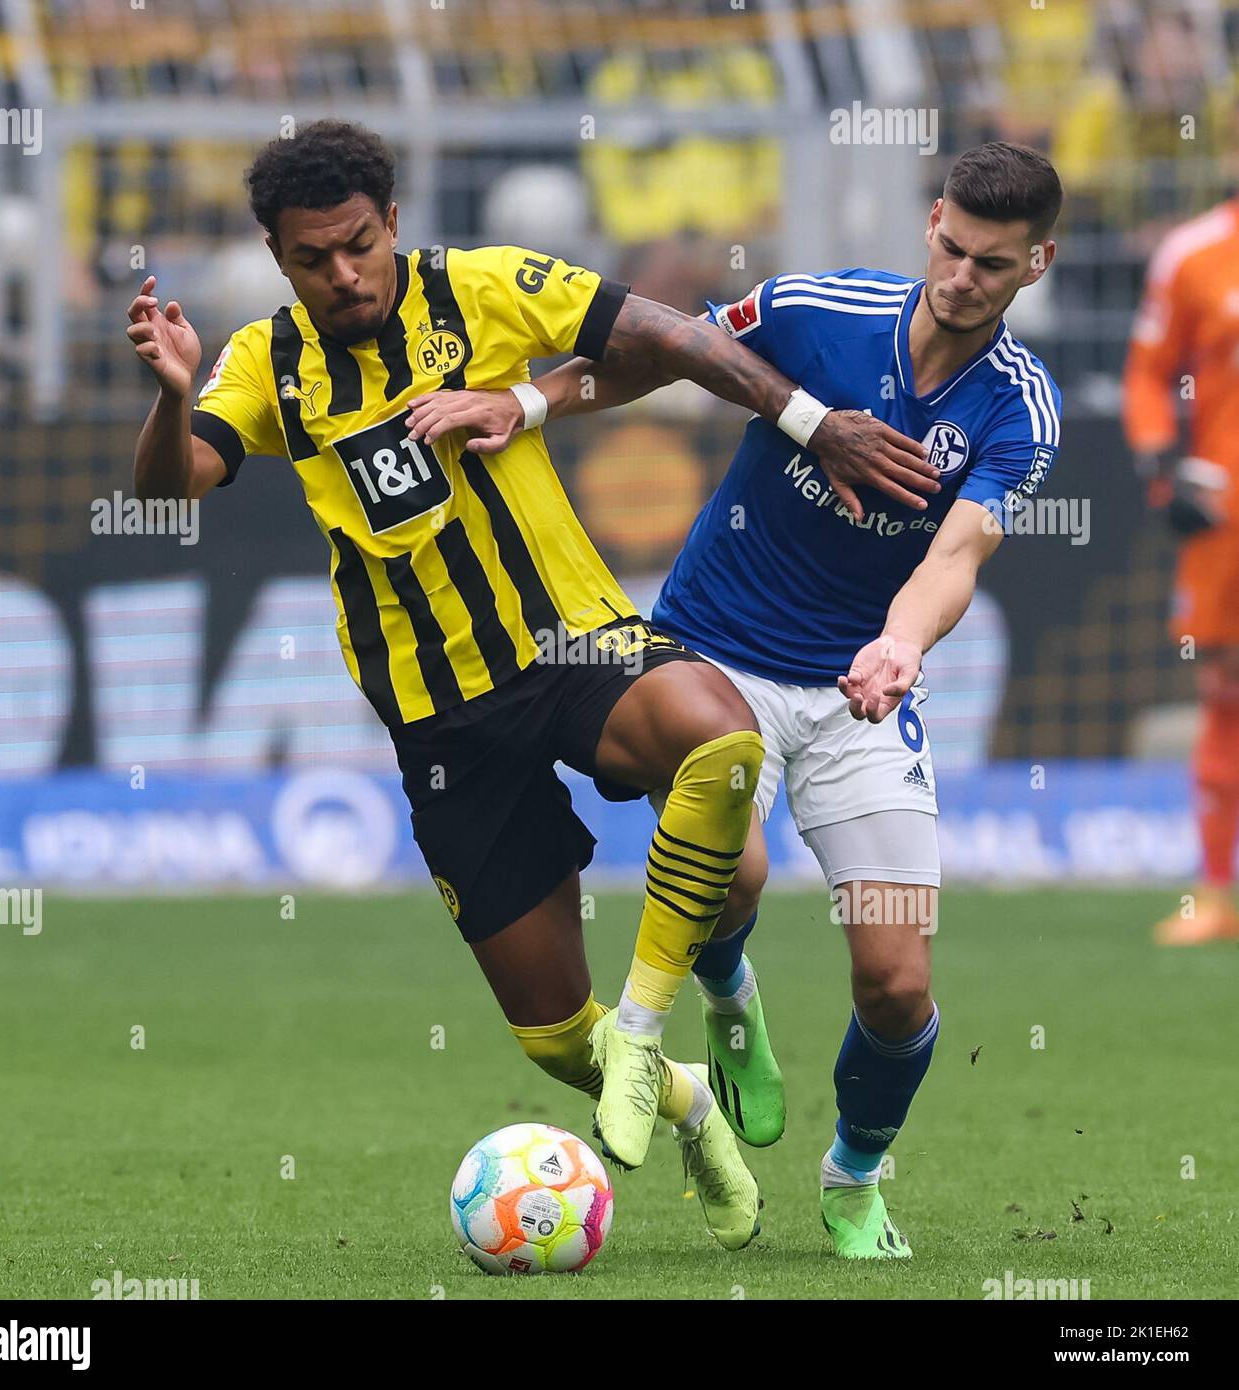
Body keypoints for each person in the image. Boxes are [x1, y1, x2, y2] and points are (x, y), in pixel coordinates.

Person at [127, 119, 933, 1250]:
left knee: (716, 745)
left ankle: (670, 1022)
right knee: (556, 1037)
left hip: (568, 644)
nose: (342, 273)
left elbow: (666, 340)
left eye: (358, 244)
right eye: (312, 258)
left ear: (392, 222)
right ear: (276, 255)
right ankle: (688, 1102)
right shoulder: (267, 362)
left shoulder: (483, 290)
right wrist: (170, 395)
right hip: (437, 710)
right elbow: (176, 484)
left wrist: (801, 422)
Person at [407, 140, 1064, 1260]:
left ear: (1036, 264)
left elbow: (957, 551)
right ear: (931, 224)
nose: (962, 276)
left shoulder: (1020, 408)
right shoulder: (819, 310)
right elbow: (667, 355)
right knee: (732, 876)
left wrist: (899, 646)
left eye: (992, 265)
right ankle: (728, 995)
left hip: (862, 686)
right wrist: (527, 400)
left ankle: (853, 1177)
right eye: (951, 247)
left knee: (897, 981)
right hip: (716, 656)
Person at [1124, 192, 1239, 946]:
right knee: (1225, 690)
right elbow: (1147, 373)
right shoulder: (1195, 253)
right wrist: (1165, 471)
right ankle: (1213, 893)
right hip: (1229, 515)